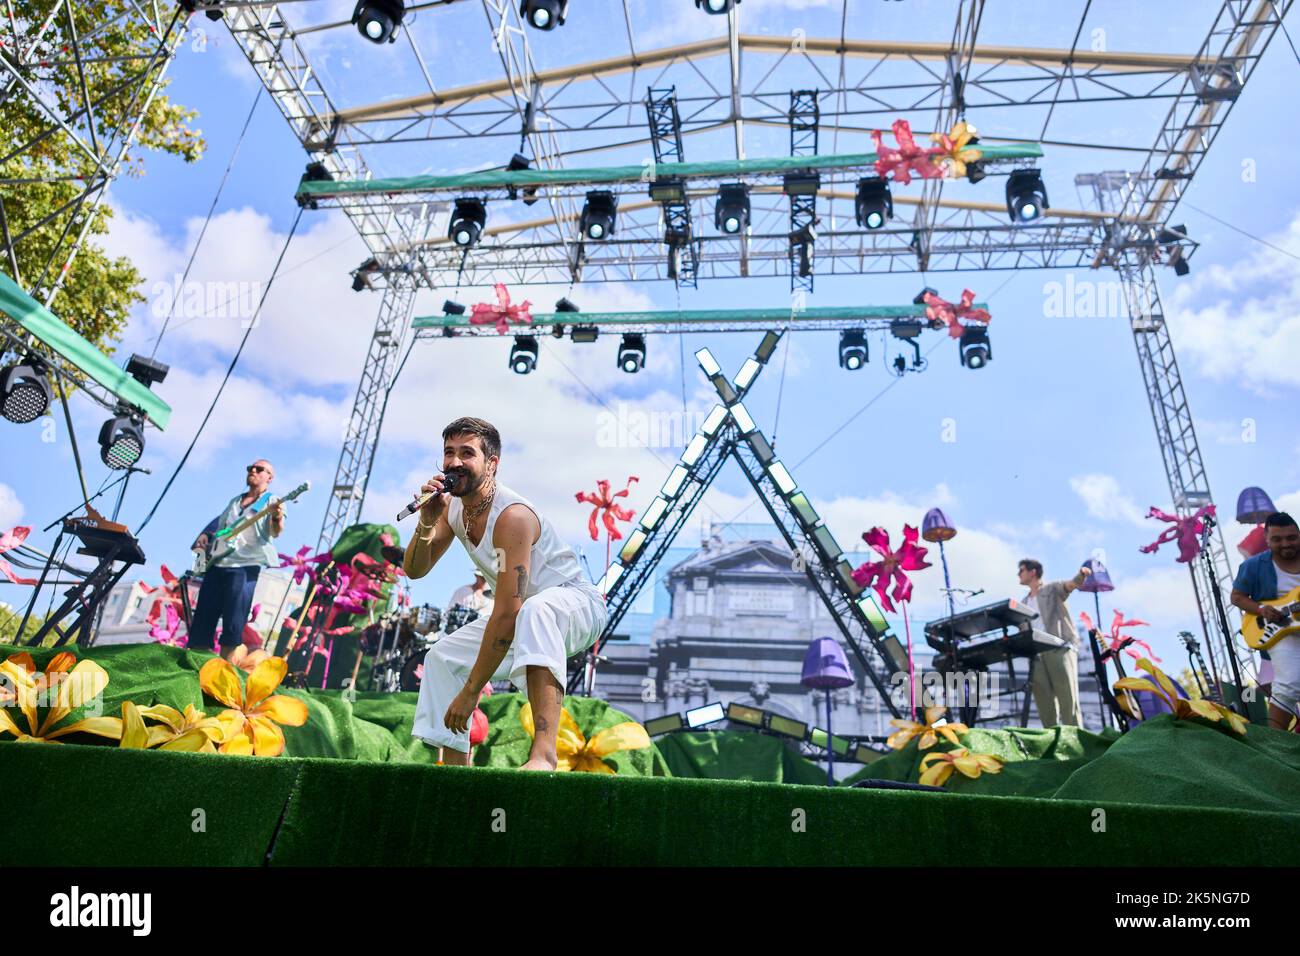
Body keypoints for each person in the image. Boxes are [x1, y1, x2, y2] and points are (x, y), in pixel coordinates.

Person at [403, 417, 606, 770]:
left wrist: (470, 693)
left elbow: (508, 612)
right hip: (525, 612)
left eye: (467, 453)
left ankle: (543, 755)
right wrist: (425, 522)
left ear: (492, 464)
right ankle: (454, 770)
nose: (454, 462)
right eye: (449, 452)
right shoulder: (451, 507)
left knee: (535, 611)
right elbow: (415, 570)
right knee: (441, 658)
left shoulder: (512, 517)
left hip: (576, 605)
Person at [189, 460, 285, 661]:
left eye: (260, 469)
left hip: (244, 567)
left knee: (233, 624)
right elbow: (222, 528)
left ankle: (225, 671)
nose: (253, 471)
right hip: (218, 565)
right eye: (250, 468)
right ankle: (196, 666)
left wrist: (277, 517)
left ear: (270, 477)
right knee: (203, 619)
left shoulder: (271, 500)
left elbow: (275, 532)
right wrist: (207, 535)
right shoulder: (234, 502)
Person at [1230, 511, 1300, 732]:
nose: (1286, 543)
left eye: (1292, 537)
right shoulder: (1253, 566)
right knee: (1288, 684)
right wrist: (1261, 609)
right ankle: (1274, 743)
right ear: (1267, 540)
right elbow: (1237, 597)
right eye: (1277, 539)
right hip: (1280, 630)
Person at [1017, 558, 1090, 728]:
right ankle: (1053, 742)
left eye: (1021, 570)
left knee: (1067, 699)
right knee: (1044, 704)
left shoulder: (1051, 589)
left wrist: (1081, 575)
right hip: (1036, 655)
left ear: (1032, 571)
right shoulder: (1023, 603)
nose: (1018, 575)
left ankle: (1076, 741)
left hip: (1059, 648)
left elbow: (1070, 585)